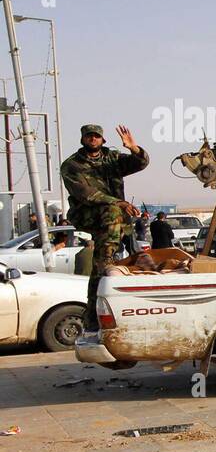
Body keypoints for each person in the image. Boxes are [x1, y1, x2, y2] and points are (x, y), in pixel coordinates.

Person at [60, 124, 148, 332]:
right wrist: (119, 203)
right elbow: (86, 193)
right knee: (111, 209)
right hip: (88, 213)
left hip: (114, 218)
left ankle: (95, 316)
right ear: (83, 139)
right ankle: (107, 259)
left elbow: (140, 163)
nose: (93, 139)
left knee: (101, 269)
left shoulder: (112, 158)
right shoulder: (72, 165)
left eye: (96, 136)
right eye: (89, 136)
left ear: (102, 140)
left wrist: (133, 148)